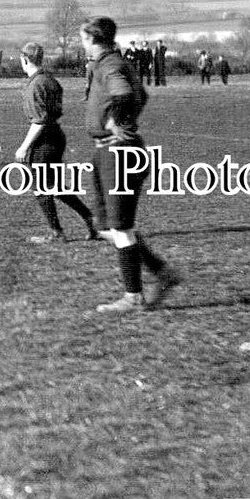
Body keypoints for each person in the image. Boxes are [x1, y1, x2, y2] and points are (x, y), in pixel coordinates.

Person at [80, 17, 180, 313]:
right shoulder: (109, 63)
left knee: (121, 227)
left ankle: (133, 296)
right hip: (106, 151)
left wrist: (117, 121)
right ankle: (162, 272)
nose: (82, 44)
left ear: (93, 40)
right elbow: (143, 95)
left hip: (119, 153)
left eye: (83, 39)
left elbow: (124, 93)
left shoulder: (110, 64)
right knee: (105, 227)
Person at [14, 43, 99, 243]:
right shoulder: (50, 80)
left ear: (25, 59)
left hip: (44, 139)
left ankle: (56, 232)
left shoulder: (36, 84)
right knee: (55, 186)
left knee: (42, 188)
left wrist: (24, 147)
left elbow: (40, 120)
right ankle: (91, 220)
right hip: (55, 136)